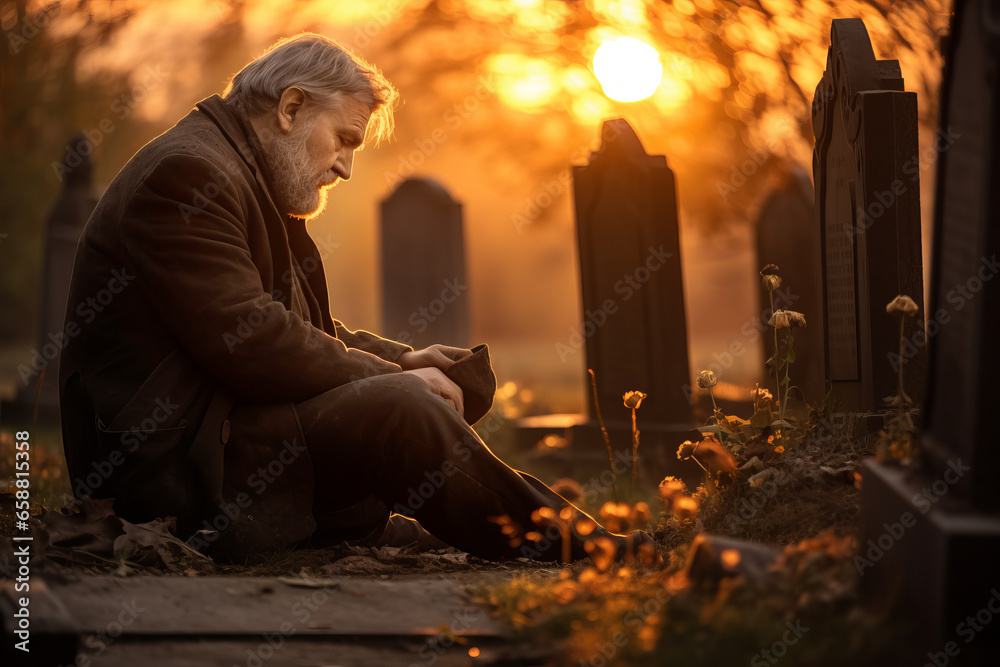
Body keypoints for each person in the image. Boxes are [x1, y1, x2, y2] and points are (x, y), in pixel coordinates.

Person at [59, 33, 650, 563]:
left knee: (438, 384)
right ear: (291, 108)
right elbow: (251, 340)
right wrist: (397, 384)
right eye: (344, 140)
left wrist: (405, 361)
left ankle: (364, 522)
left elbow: (299, 328)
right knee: (402, 409)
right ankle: (583, 548)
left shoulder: (238, 172)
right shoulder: (189, 175)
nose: (344, 167)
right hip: (173, 475)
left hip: (225, 436)